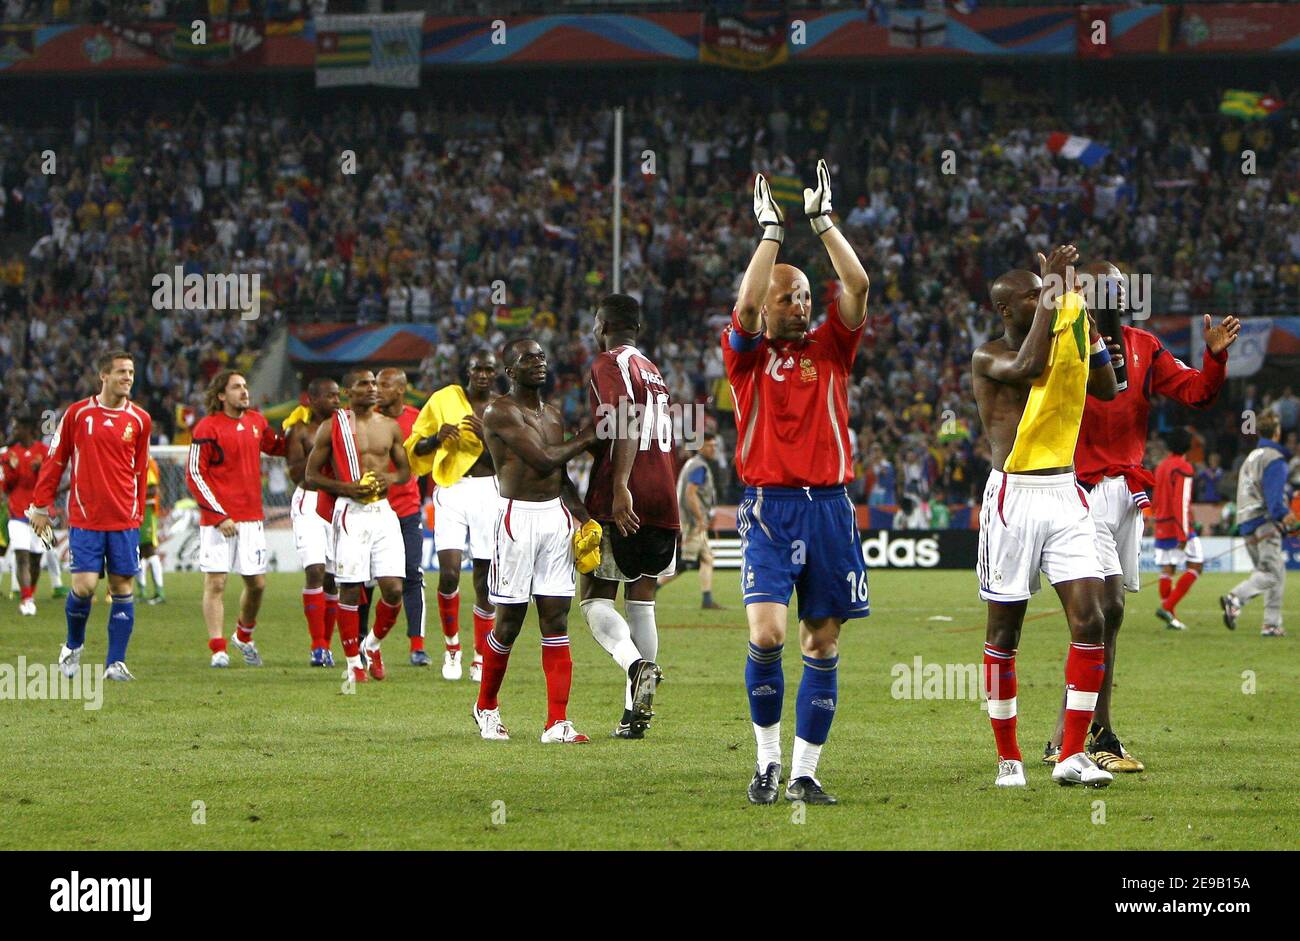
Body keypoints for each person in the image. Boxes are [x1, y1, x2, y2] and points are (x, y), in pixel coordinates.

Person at [1049, 260, 1238, 771]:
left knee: (1101, 616)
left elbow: (1198, 393)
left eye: (1119, 285)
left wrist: (1214, 359)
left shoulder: (1145, 346)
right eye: (1103, 286)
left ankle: (1066, 730)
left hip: (1125, 492)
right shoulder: (1064, 340)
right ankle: (1101, 735)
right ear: (1085, 295)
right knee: (1105, 609)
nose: (1115, 292)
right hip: (1080, 489)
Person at [725, 160, 871, 806]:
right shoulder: (746, 359)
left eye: (808, 295)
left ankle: (805, 773)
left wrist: (824, 223)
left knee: (822, 639)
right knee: (767, 634)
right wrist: (772, 234)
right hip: (769, 508)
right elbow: (748, 304)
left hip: (831, 509)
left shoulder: (833, 348)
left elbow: (859, 284)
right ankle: (765, 761)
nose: (802, 303)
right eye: (792, 296)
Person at [971, 247, 1118, 789]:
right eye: (1034, 294)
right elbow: (1030, 367)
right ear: (1007, 310)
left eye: (1045, 289)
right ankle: (1009, 759)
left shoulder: (1061, 337)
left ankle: (1070, 756)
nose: (1046, 298)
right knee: (1004, 632)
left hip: (1064, 488)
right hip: (1013, 497)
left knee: (1092, 620)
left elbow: (1106, 389)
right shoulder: (987, 357)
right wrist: (1059, 290)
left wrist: (1090, 332)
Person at [475, 339, 598, 744]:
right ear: (510, 370)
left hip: (554, 517)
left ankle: (557, 722)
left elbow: (558, 475)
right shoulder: (499, 411)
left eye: (543, 356)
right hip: (517, 518)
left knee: (556, 618)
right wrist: (588, 437)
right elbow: (543, 458)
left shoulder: (552, 414)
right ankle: (486, 707)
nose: (540, 363)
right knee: (509, 623)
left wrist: (581, 515)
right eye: (529, 358)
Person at [579, 294, 677, 739]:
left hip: (625, 494)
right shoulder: (654, 371)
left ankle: (636, 665)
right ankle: (635, 714)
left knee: (595, 598)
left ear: (602, 325)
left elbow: (624, 419)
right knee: (642, 601)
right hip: (663, 493)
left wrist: (618, 486)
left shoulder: (608, 363)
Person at [30, 349, 152, 682]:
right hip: (86, 516)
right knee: (84, 587)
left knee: (122, 586)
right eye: (121, 372)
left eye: (131, 372)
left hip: (124, 517)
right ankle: (72, 645)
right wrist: (41, 506)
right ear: (104, 376)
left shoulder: (140, 419)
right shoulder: (77, 414)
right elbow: (55, 460)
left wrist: (138, 512)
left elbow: (140, 470)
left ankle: (116, 663)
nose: (128, 377)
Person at [305, 369, 411, 682]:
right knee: (349, 588)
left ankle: (372, 644)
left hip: (382, 510)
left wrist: (389, 477)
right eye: (364, 384)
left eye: (374, 383)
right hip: (350, 511)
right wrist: (346, 488)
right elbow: (311, 475)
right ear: (350, 392)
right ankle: (353, 663)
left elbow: (405, 471)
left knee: (393, 589)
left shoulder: (390, 427)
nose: (372, 388)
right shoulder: (332, 427)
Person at [407, 350, 501, 681]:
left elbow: (514, 458)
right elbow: (414, 448)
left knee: (485, 578)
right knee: (448, 573)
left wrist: (485, 437)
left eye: (490, 369)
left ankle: (479, 655)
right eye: (478, 369)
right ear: (467, 370)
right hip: (452, 488)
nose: (484, 375)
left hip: (490, 490)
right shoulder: (444, 399)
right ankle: (452, 648)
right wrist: (436, 438)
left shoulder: (501, 408)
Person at [186, 370, 288, 668]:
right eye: (236, 388)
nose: (244, 392)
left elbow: (278, 446)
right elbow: (194, 473)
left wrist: (303, 432)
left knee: (256, 584)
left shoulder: (257, 422)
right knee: (216, 583)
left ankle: (243, 635)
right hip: (218, 521)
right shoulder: (207, 427)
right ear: (221, 395)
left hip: (251, 518)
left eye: (245, 386)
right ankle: (218, 648)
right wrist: (218, 515)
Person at [1221, 411, 1295, 637]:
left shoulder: (1251, 457)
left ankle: (1272, 624)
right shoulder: (1274, 459)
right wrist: (1284, 515)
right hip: (1264, 522)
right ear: (1277, 432)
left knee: (1274, 572)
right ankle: (1235, 598)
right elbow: (1274, 498)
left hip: (1246, 521)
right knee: (1271, 573)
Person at [285, 377, 341, 666]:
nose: (336, 400)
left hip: (338, 502)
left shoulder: (346, 428)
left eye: (338, 395)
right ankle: (317, 646)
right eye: (330, 396)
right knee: (315, 570)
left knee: (333, 577)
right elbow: (295, 472)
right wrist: (322, 466)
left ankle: (327, 645)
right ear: (313, 398)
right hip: (309, 501)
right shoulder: (299, 430)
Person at [377, 367, 431, 667]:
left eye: (384, 384)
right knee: (365, 582)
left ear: (400, 388)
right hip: (372, 510)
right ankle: (363, 641)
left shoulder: (417, 418)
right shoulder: (365, 418)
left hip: (407, 510)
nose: (377, 390)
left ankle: (417, 645)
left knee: (412, 575)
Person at [658, 431, 723, 610]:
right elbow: (690, 493)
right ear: (701, 447)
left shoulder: (692, 464)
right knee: (687, 563)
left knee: (707, 558)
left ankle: (707, 599)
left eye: (715, 445)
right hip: (693, 522)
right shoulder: (699, 467)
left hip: (691, 520)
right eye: (710, 445)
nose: (714, 449)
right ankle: (653, 587)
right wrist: (701, 518)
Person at [1153, 427, 1202, 632]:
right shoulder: (1184, 467)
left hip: (1162, 524)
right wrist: (1183, 533)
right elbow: (1181, 502)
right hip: (1177, 527)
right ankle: (1167, 607)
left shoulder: (1162, 466)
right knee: (1196, 565)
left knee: (1168, 570)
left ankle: (1171, 618)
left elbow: (1156, 498)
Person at [2, 414, 47, 616]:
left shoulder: (43, 453)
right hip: (17, 512)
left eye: (18, 427)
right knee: (22, 555)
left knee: (36, 558)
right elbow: (6, 487)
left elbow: (51, 480)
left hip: (39, 513)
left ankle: (31, 594)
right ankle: (26, 598)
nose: (15, 431)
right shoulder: (9, 454)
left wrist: (42, 469)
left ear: (28, 429)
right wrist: (11, 469)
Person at [137, 455, 166, 604]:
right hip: (140, 510)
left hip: (146, 510)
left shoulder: (146, 461)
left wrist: (133, 492)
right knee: (140, 552)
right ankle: (142, 591)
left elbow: (152, 488)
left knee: (148, 549)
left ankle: (159, 592)